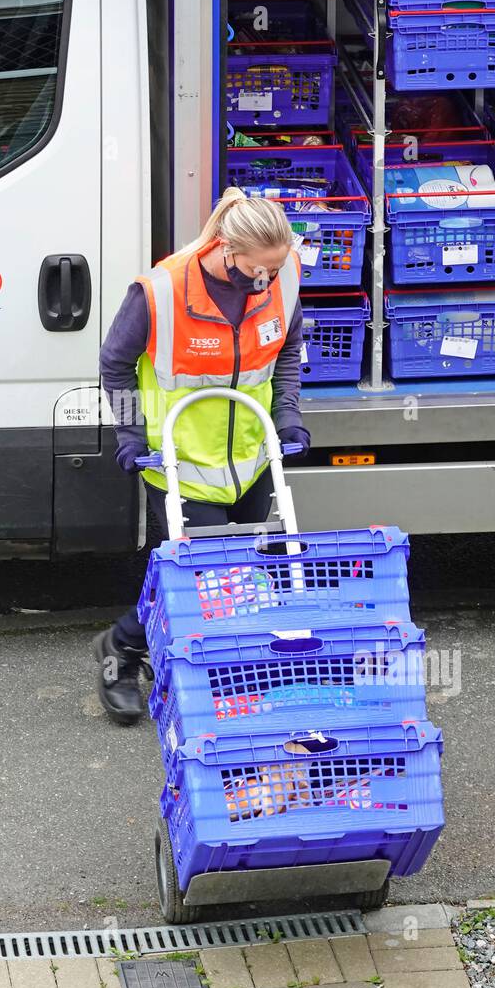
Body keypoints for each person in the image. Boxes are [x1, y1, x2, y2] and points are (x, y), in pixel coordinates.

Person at [93, 186, 310, 725]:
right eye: (256, 270)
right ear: (225, 247)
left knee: (243, 571)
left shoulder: (282, 273)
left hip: (252, 460)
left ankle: (197, 669)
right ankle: (124, 652)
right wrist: (130, 434)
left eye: (274, 269)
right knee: (200, 574)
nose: (266, 280)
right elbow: (114, 365)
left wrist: (287, 416)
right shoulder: (160, 291)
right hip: (181, 465)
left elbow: (286, 352)